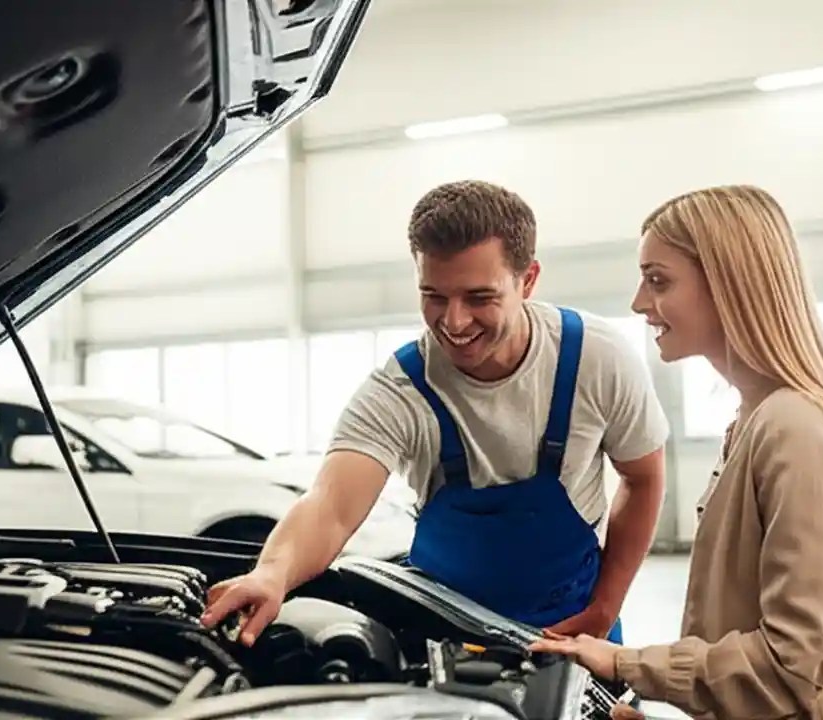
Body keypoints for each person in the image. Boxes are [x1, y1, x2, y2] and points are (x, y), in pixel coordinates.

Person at [200, 179, 669, 649]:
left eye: (479, 298)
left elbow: (642, 478)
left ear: (527, 280)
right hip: (442, 633)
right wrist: (272, 574)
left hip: (575, 626)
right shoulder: (400, 390)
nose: (455, 321)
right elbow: (330, 506)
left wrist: (606, 607)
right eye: (435, 296)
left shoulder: (596, 357)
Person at [529, 185, 823, 720]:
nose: (639, 303)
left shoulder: (797, 428)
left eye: (658, 280)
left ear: (728, 283)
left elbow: (791, 668)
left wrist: (625, 664)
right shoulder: (757, 420)